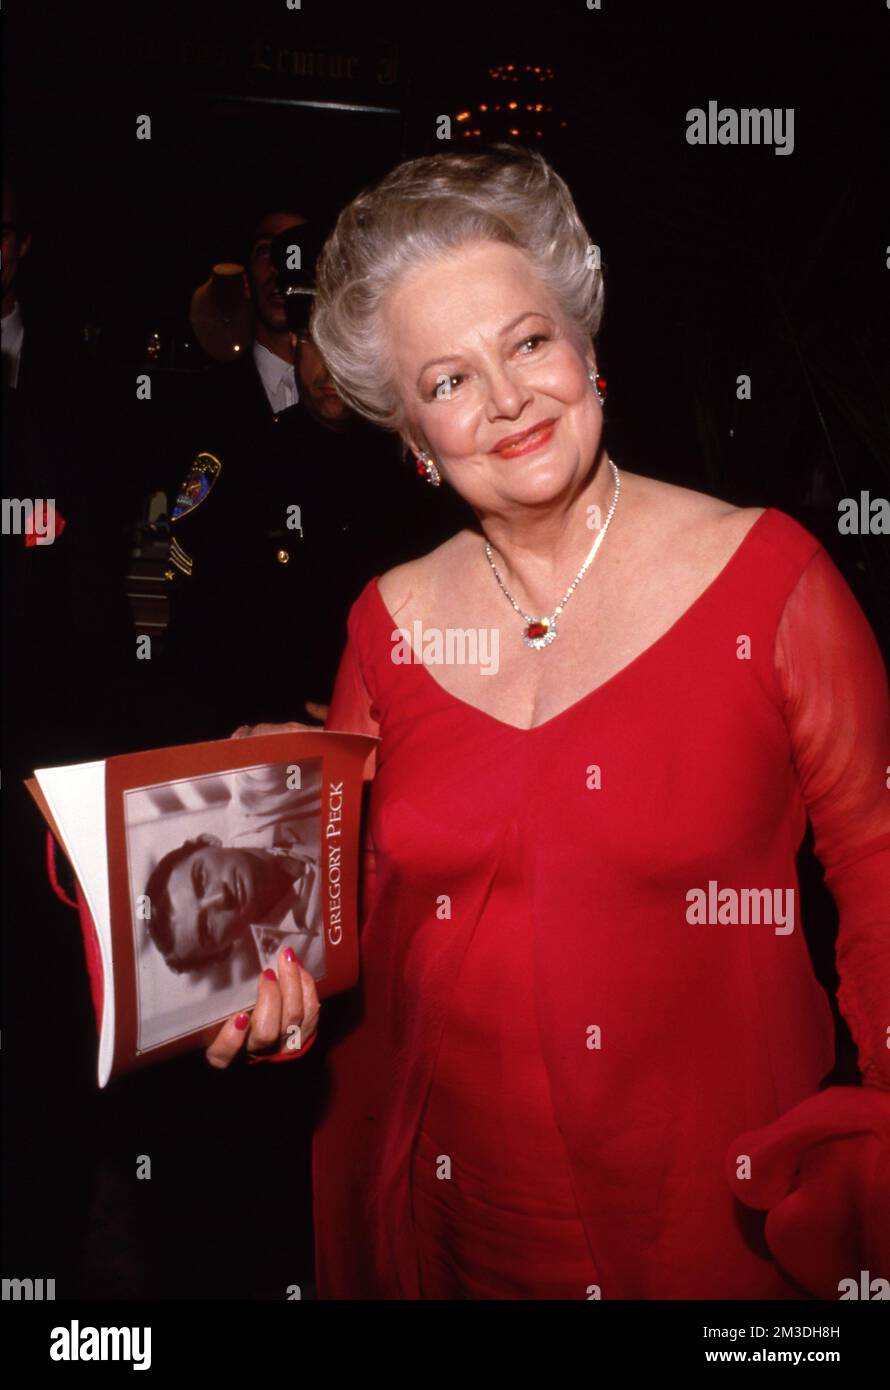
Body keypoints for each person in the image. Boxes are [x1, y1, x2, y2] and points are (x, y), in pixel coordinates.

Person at [204, 145, 890, 1300]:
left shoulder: (772, 579)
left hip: (715, 1232)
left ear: (584, 345)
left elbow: (877, 882)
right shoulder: (384, 624)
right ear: (412, 435)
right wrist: (269, 981)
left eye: (526, 342)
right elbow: (352, 930)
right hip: (453, 1224)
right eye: (448, 380)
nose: (508, 399)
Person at [144, 764, 325, 980]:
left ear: (208, 841)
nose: (220, 897)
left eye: (201, 879)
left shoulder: (257, 790)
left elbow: (277, 764)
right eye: (207, 927)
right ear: (224, 951)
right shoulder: (294, 970)